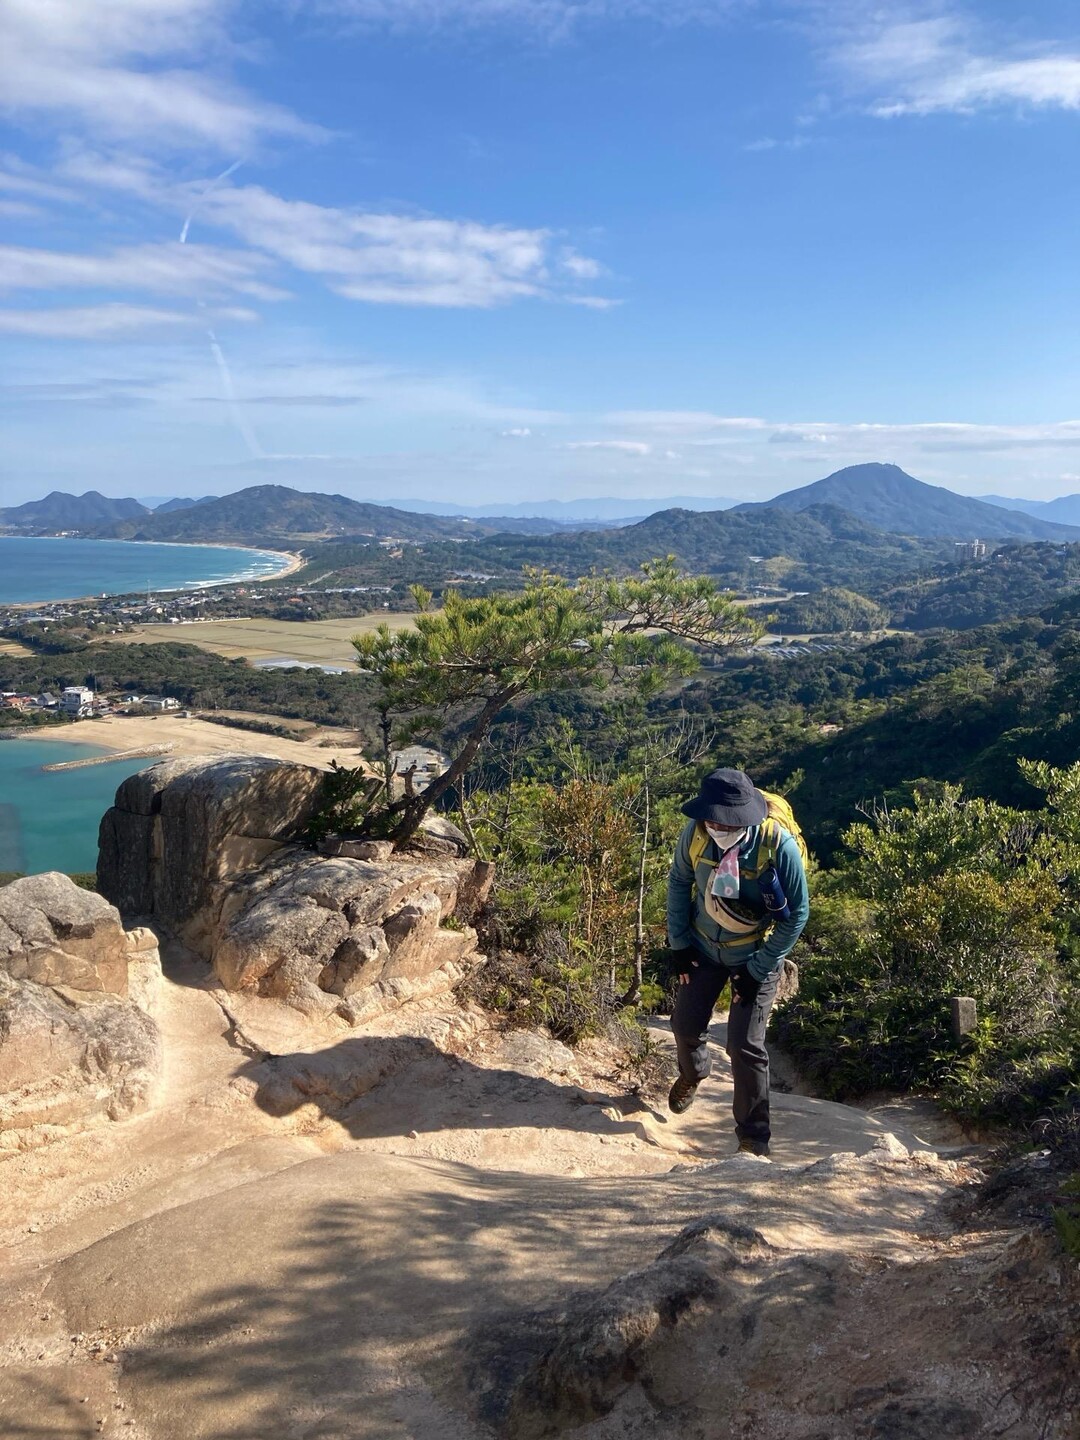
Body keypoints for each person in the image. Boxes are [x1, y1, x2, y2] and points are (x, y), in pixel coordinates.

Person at [665, 767, 809, 1157]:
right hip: (702, 948)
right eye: (711, 819)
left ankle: (753, 1138)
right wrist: (679, 944)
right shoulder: (695, 835)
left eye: (724, 821)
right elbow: (679, 881)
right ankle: (693, 1072)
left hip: (755, 953)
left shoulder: (777, 846)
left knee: (744, 1046)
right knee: (684, 1024)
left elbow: (797, 914)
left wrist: (759, 969)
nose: (716, 826)